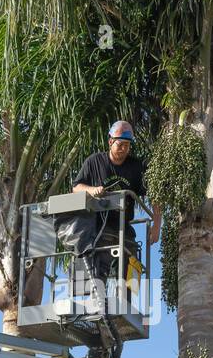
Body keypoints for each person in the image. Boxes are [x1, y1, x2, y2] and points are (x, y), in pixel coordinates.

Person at [69, 121, 161, 299]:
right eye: (120, 145)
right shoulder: (94, 162)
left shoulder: (136, 167)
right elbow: (76, 187)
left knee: (130, 265)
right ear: (111, 141)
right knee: (97, 272)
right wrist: (92, 190)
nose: (124, 150)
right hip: (99, 229)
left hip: (123, 229)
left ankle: (125, 302)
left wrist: (157, 225)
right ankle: (99, 303)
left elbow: (156, 193)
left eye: (127, 146)